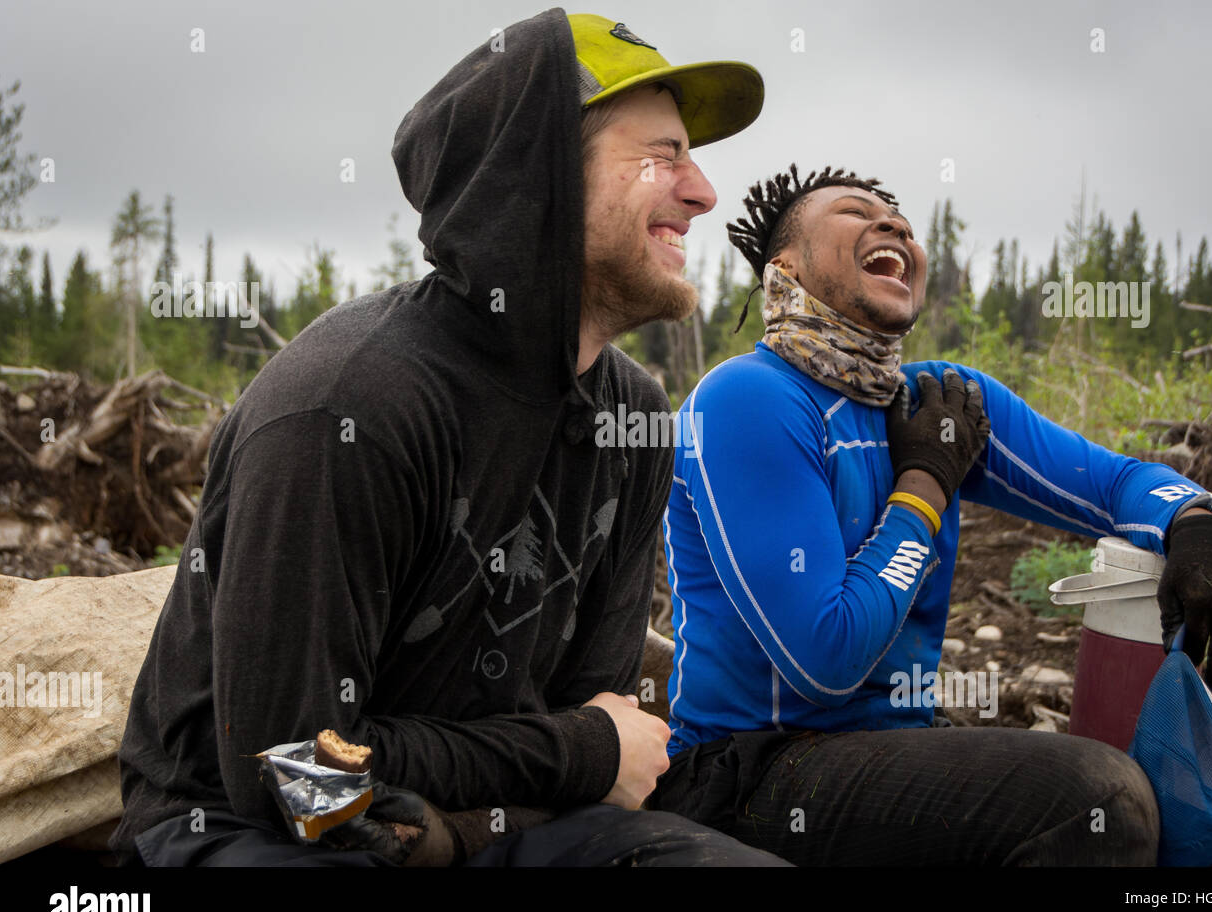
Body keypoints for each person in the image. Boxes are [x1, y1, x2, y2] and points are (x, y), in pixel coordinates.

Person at [109, 10, 786, 867]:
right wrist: (574, 754)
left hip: (494, 825)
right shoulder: (351, 406)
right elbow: (296, 777)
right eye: (663, 155)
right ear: (536, 176)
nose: (703, 192)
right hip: (251, 839)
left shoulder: (636, 420)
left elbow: (603, 737)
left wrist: (473, 822)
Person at [646, 164, 1212, 866]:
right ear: (786, 268)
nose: (892, 224)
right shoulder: (748, 399)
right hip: (750, 774)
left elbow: (1113, 483)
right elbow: (824, 661)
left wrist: (1196, 523)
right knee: (1097, 801)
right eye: (854, 212)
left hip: (897, 746)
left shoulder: (935, 403)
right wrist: (923, 488)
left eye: (901, 221)